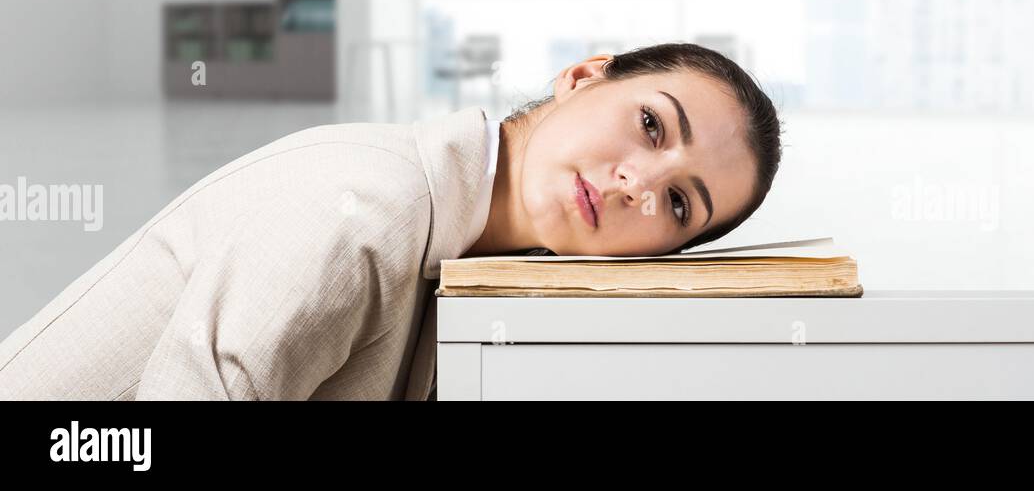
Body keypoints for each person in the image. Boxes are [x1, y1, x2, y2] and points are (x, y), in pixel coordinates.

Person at [0, 41, 782, 401]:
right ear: (581, 77)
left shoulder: (465, 253)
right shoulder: (368, 208)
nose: (634, 184)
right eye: (651, 125)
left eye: (678, 204)